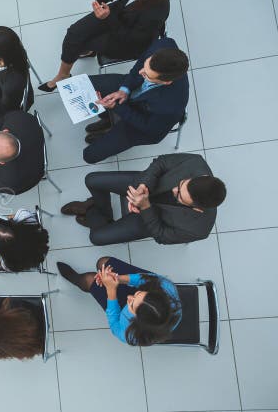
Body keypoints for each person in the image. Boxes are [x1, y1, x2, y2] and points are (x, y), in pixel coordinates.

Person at [38, 0, 173, 92]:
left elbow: (129, 38)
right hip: (117, 14)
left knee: (81, 42)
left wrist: (108, 18)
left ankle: (87, 50)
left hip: (126, 41)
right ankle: (64, 74)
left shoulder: (156, 13)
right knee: (74, 33)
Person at [61, 153, 226, 245]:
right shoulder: (195, 163)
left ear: (197, 208)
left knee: (96, 238)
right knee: (91, 179)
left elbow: (160, 235)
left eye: (179, 196)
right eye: (181, 183)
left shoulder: (198, 229)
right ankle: (102, 211)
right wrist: (143, 187)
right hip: (146, 186)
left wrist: (145, 207)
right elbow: (161, 163)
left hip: (149, 220)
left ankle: (94, 214)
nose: (175, 189)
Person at [83, 38, 189, 164]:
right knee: (85, 84)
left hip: (145, 122)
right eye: (145, 66)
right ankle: (107, 118)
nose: (141, 72)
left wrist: (116, 107)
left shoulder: (169, 107)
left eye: (147, 75)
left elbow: (147, 126)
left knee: (90, 155)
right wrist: (124, 89)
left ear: (166, 82)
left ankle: (109, 123)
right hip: (134, 90)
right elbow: (138, 68)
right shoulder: (164, 45)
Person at [57, 257, 181, 345]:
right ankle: (137, 297)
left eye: (131, 305)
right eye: (137, 294)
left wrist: (111, 290)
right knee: (103, 262)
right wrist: (117, 279)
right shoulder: (166, 287)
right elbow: (143, 279)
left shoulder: (130, 333)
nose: (129, 297)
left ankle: (75, 279)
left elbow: (114, 322)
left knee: (90, 280)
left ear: (136, 320)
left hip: (119, 306)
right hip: (144, 287)